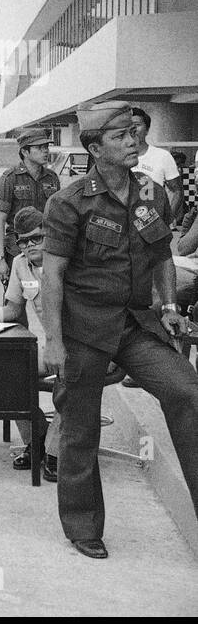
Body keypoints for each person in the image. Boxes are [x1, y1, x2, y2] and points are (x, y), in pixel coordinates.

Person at [42, 99, 198, 560]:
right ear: (94, 147)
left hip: (135, 325)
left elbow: (163, 254)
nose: (134, 142)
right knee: (80, 427)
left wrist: (169, 304)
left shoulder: (152, 191)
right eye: (121, 136)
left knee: (187, 392)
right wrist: (54, 340)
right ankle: (82, 525)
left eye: (135, 133)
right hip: (84, 328)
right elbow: (52, 275)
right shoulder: (68, 202)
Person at [0, 206, 59, 482]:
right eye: (23, 241)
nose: (29, 246)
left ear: (50, 234)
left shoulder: (67, 261)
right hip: (51, 347)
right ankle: (38, 440)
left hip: (84, 344)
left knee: (72, 383)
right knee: (6, 376)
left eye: (36, 238)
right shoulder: (21, 264)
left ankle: (56, 453)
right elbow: (13, 308)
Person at [0, 127, 60, 286]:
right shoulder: (10, 178)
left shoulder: (52, 178)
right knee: (15, 299)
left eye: (46, 147)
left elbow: (57, 217)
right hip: (17, 248)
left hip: (45, 247)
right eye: (40, 148)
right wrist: (0, 259)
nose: (45, 151)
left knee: (47, 297)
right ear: (25, 152)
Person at [130, 107, 183, 219]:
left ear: (147, 129)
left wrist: (166, 220)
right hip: (126, 225)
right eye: (129, 125)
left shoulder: (162, 156)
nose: (133, 129)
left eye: (137, 125)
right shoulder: (117, 157)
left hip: (154, 225)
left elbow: (177, 191)